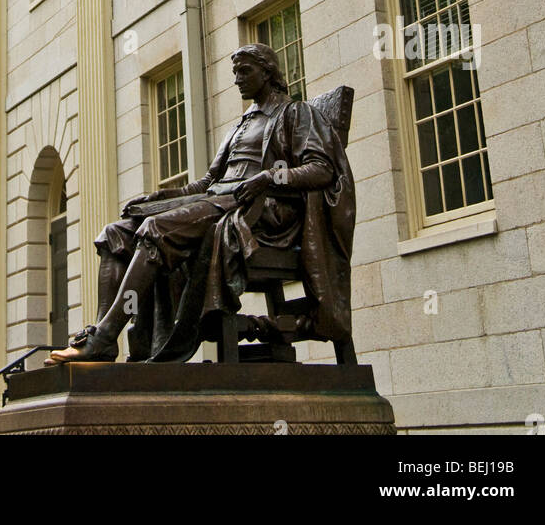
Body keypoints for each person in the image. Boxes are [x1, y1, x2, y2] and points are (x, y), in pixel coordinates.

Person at [51, 42, 355, 364]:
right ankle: (105, 339)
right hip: (217, 200)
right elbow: (207, 183)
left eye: (244, 70)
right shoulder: (241, 124)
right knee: (116, 232)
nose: (237, 78)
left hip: (259, 214)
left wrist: (268, 178)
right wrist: (162, 196)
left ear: (268, 72)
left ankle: (104, 336)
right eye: (234, 71)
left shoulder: (295, 113)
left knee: (156, 229)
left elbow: (322, 169)